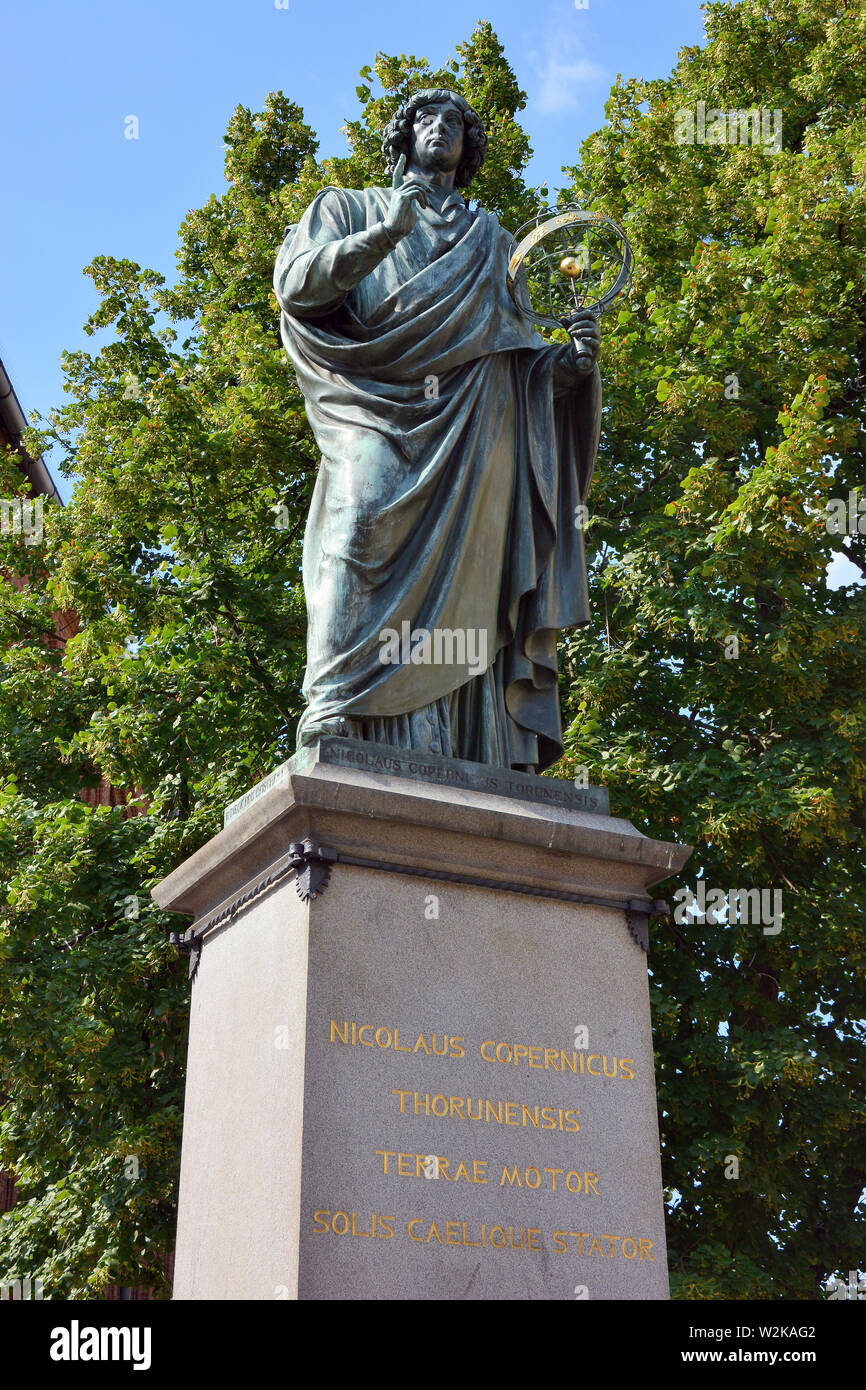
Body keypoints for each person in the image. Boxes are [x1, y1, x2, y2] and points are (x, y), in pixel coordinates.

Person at [274, 88, 601, 773]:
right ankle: (334, 699)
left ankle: (466, 743)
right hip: (372, 401)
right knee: (358, 522)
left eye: (456, 121)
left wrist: (566, 370)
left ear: (469, 146)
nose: (442, 128)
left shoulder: (495, 243)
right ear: (402, 137)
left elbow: (515, 362)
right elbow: (298, 288)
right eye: (427, 117)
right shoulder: (349, 206)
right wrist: (381, 236)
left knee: (477, 576)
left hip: (477, 427)